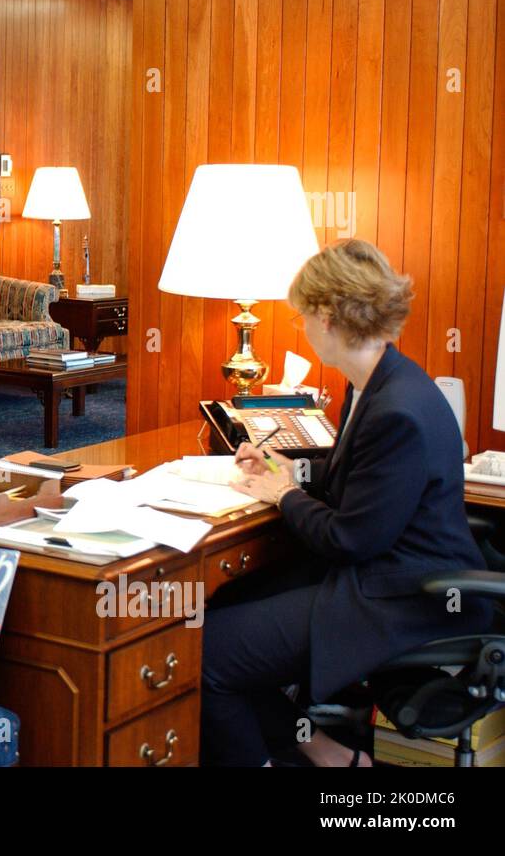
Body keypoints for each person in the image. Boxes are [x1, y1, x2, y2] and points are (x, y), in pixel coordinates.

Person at [201, 239, 492, 767]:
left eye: (301, 317)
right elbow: (354, 481)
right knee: (215, 609)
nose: (301, 328)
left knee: (204, 657)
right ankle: (329, 755)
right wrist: (290, 471)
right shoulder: (380, 381)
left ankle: (307, 756)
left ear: (328, 317)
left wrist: (285, 493)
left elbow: (351, 538)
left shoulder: (396, 410)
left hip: (402, 596)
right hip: (385, 573)